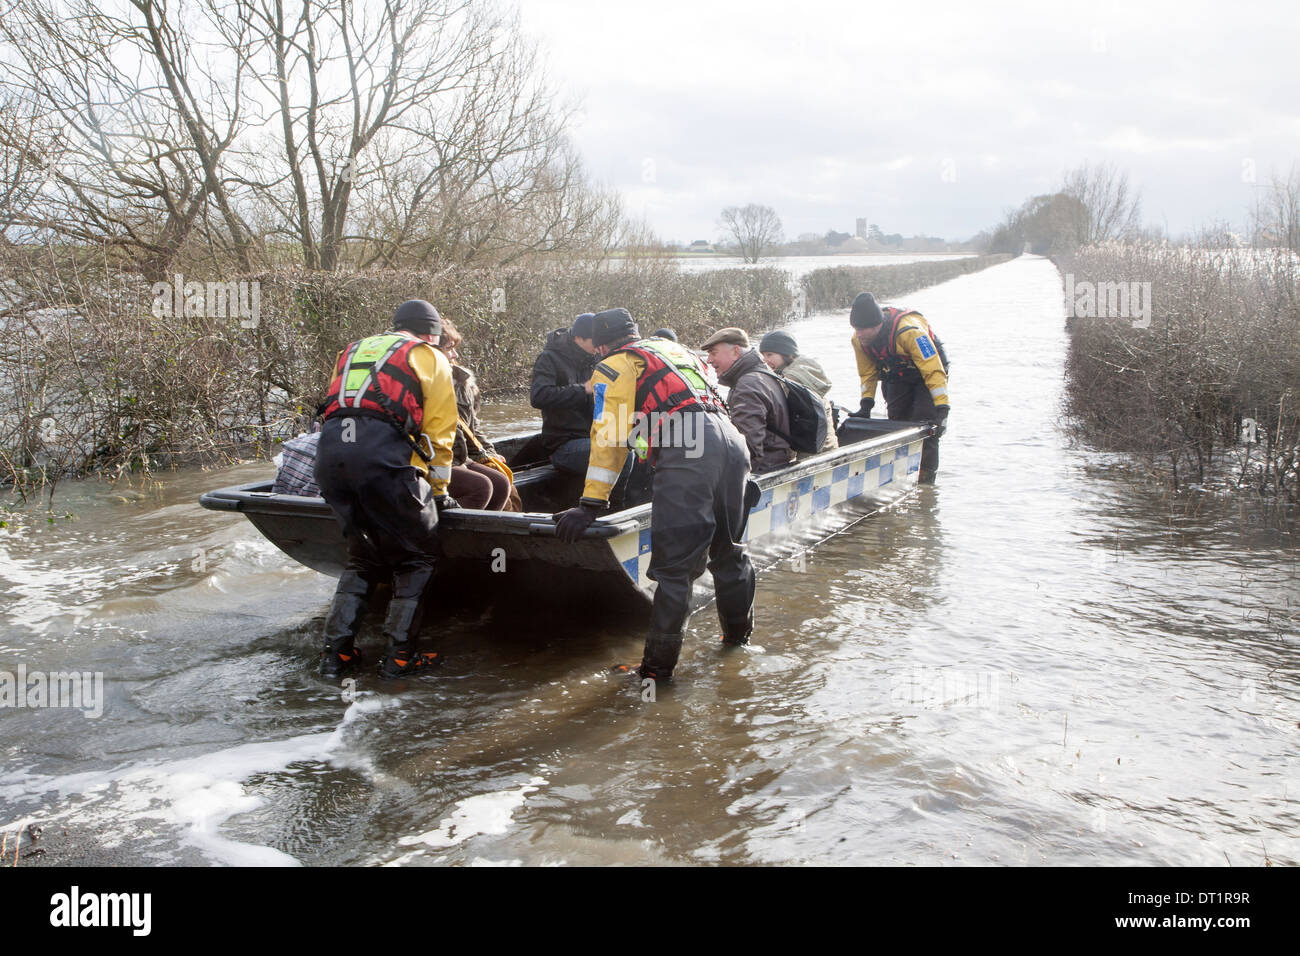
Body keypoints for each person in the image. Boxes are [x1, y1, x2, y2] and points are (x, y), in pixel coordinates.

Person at [552, 308, 756, 682]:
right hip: (732, 442)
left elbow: (609, 438)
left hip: (689, 447)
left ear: (599, 345)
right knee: (730, 554)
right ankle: (737, 645)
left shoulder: (613, 367)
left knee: (675, 571)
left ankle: (655, 675)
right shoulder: (673, 351)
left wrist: (590, 505)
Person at [313, 299, 459, 680]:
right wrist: (439, 491)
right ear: (432, 333)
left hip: (330, 458)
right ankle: (399, 659)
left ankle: (336, 657)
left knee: (363, 557)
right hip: (383, 462)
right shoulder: (429, 355)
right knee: (417, 557)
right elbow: (440, 432)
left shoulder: (351, 350)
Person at [846, 292, 950, 483]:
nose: (859, 334)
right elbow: (867, 373)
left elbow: (933, 371)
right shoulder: (858, 340)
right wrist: (866, 405)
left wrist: (942, 409)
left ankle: (925, 483)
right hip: (897, 373)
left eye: (863, 330)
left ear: (877, 325)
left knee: (925, 427)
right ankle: (899, 478)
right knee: (896, 425)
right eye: (856, 329)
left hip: (927, 373)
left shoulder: (910, 332)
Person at [439, 317, 514, 511]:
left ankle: (485, 538)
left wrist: (489, 453)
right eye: (449, 348)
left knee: (501, 482)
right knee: (482, 487)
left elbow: (472, 427)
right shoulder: (423, 381)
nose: (455, 354)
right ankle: (452, 539)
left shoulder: (462, 382)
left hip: (462, 457)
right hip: (439, 460)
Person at [702, 326, 796, 474]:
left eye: (714, 353)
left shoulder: (748, 386)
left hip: (765, 472)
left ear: (735, 352)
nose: (709, 360)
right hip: (779, 463)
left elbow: (747, 449)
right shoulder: (762, 375)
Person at [530, 313, 599, 476]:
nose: (599, 346)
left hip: (592, 436)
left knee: (631, 446)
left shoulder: (596, 358)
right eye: (595, 341)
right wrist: (584, 389)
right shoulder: (549, 358)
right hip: (563, 444)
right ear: (579, 338)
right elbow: (538, 396)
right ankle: (612, 501)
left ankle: (618, 500)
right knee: (614, 452)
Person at [758, 330, 839, 453]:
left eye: (769, 355)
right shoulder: (806, 369)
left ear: (787, 354)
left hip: (811, 451)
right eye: (763, 355)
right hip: (827, 445)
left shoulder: (790, 380)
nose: (765, 360)